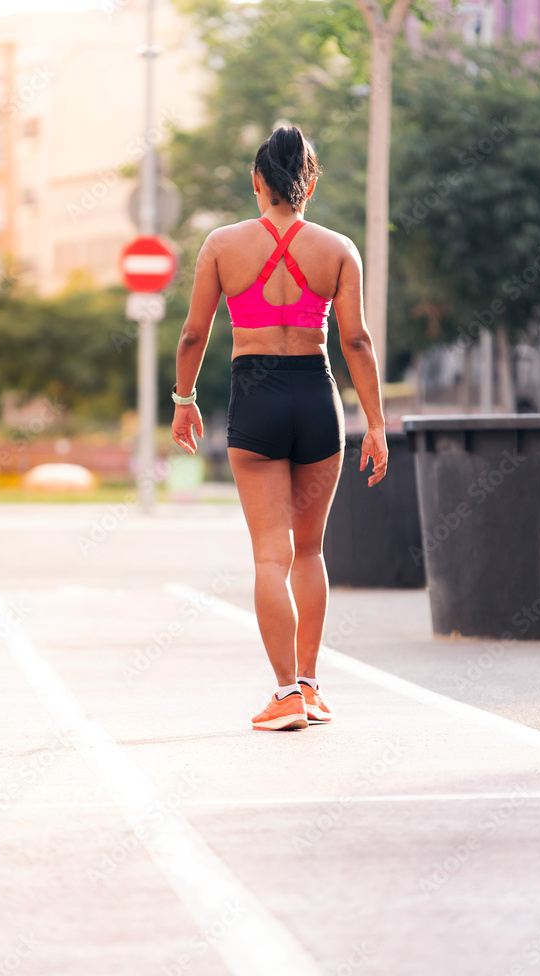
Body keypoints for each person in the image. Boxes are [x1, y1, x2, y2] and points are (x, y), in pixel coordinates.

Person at [171, 124, 388, 732]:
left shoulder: (222, 244)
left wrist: (184, 400)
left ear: (257, 181)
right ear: (309, 184)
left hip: (257, 396)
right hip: (317, 396)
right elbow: (356, 341)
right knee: (311, 551)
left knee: (271, 555)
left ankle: (286, 694)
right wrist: (375, 423)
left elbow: (192, 334)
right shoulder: (339, 249)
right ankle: (312, 687)